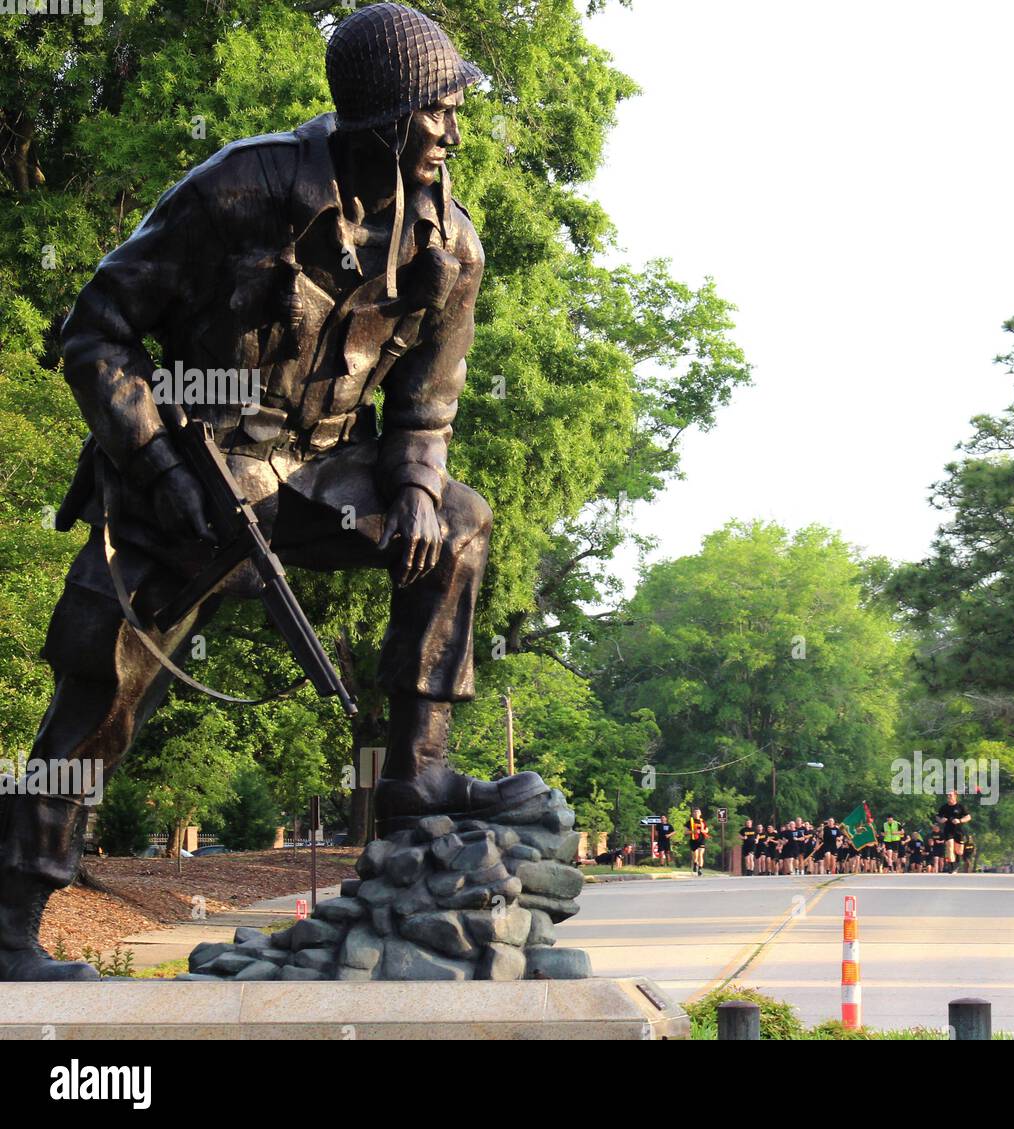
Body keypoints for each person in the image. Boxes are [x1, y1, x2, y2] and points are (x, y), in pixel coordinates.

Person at [0, 3, 562, 982]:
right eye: (439, 112)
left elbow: (425, 412)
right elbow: (96, 333)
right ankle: (10, 924)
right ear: (388, 116)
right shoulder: (238, 189)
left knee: (461, 521)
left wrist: (418, 492)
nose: (455, 134)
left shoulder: (450, 248)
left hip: (322, 475)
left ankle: (416, 781)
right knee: (95, 700)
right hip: (187, 473)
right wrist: (163, 470)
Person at [936, 790, 971, 873]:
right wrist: (941, 820)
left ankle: (957, 863)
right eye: (948, 795)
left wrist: (960, 820)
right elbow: (937, 817)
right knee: (949, 847)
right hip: (948, 830)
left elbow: (968, 817)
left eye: (950, 795)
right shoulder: (944, 807)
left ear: (955, 796)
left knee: (959, 851)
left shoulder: (960, 807)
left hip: (958, 831)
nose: (948, 797)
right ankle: (952, 867)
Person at [687, 808, 709, 876]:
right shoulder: (690, 822)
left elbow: (707, 830)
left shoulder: (703, 822)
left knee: (700, 854)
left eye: (697, 812)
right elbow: (685, 831)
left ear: (700, 814)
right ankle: (695, 863)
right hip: (693, 840)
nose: (696, 814)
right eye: (695, 812)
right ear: (693, 814)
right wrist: (693, 831)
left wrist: (703, 831)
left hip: (701, 840)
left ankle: (700, 869)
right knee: (695, 855)